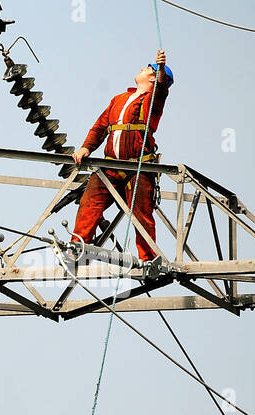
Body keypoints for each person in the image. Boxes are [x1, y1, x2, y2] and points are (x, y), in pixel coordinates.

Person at [70, 51, 174, 265]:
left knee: (142, 215)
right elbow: (100, 127)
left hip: (139, 168)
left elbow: (162, 89)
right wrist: (85, 148)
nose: (142, 69)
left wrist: (161, 67)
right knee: (89, 204)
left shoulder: (152, 101)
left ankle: (148, 258)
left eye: (147, 68)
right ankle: (77, 247)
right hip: (109, 167)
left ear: (153, 77)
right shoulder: (119, 99)